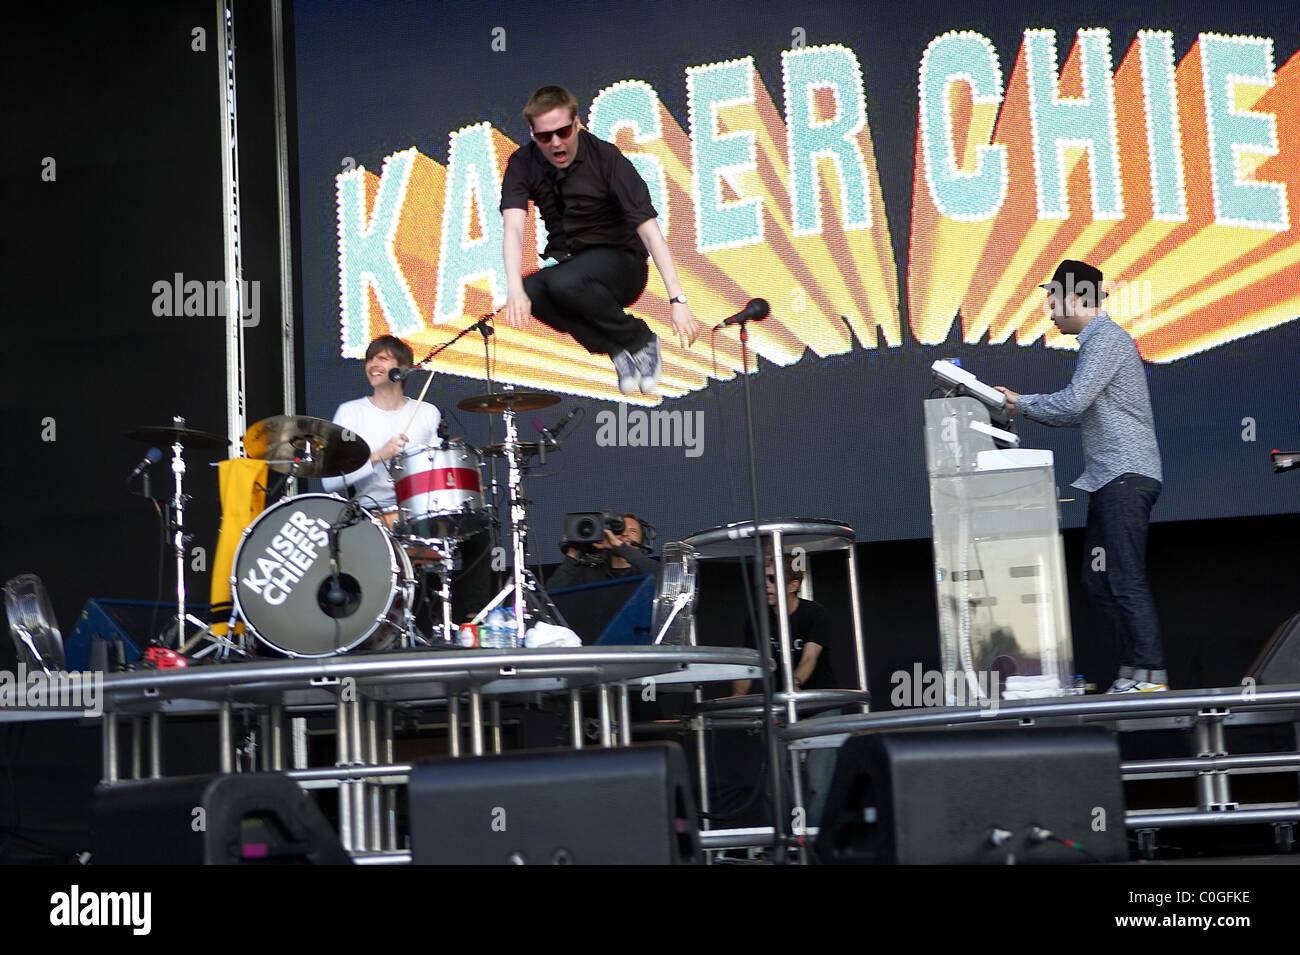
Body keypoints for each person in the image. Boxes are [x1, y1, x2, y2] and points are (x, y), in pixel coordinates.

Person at [995, 259, 1167, 693]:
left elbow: (1072, 404)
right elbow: (1081, 410)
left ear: (1074, 297)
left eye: (1052, 299)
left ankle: (1149, 675)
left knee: (1123, 575)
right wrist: (1025, 406)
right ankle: (1134, 671)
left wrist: (1020, 402)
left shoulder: (1105, 340)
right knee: (1099, 578)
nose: (1049, 310)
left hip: (1126, 476)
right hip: (1113, 477)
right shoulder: (1099, 342)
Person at [500, 85, 700, 395]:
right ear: (532, 134)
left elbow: (649, 231)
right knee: (531, 291)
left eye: (563, 132)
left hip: (622, 266)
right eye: (544, 137)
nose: (555, 143)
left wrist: (678, 300)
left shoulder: (606, 158)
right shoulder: (522, 163)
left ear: (577, 124)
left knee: (563, 282)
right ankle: (614, 347)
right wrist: (513, 287)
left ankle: (639, 338)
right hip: (573, 269)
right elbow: (513, 226)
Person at [321, 334, 440, 512]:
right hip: (370, 517)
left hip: (420, 512)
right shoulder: (350, 412)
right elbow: (330, 482)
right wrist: (379, 456)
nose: (373, 365)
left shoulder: (427, 412)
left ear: (404, 368)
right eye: (369, 359)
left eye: (382, 359)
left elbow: (437, 471)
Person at [548, 513, 658, 589]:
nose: (625, 534)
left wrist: (621, 547)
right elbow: (552, 593)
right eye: (620, 530)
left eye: (633, 531)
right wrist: (572, 552)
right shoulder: (589, 572)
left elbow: (661, 575)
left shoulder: (646, 572)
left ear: (642, 541)